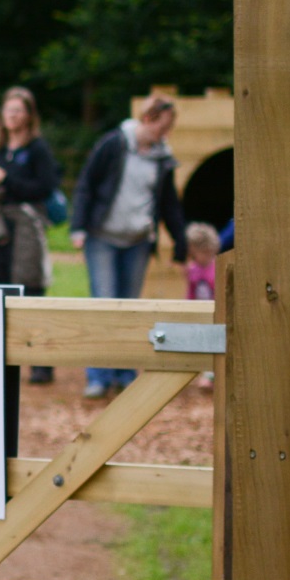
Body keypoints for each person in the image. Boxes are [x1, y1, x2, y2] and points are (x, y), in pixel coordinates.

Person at [71, 94, 189, 398]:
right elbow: (86, 184)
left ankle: (124, 373)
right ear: (148, 119)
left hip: (137, 241)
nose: (166, 133)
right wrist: (78, 226)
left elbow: (168, 203)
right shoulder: (113, 144)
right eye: (163, 126)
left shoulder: (163, 158)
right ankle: (98, 376)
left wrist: (180, 242)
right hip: (102, 237)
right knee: (105, 302)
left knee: (131, 305)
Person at [0, 86, 60, 386]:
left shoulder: (38, 149)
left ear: (28, 115)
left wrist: (5, 178)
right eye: (8, 110)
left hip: (24, 226)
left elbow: (44, 188)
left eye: (18, 110)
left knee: (29, 289)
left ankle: (40, 365)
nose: (12, 115)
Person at [185, 222, 220, 392]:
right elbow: (190, 292)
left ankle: (211, 375)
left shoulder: (217, 269)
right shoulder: (192, 270)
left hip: (216, 313)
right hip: (200, 312)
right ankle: (207, 374)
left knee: (215, 343)